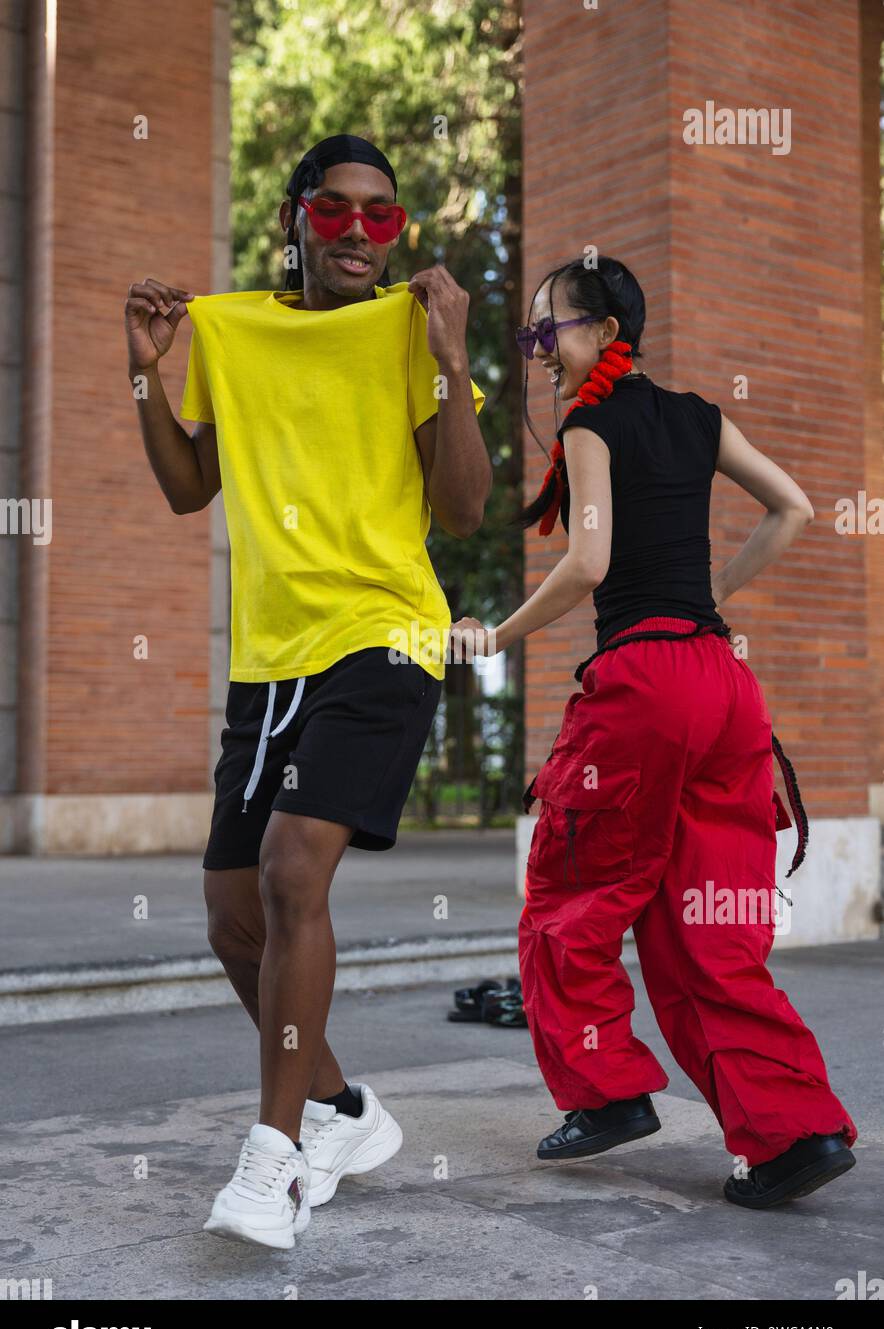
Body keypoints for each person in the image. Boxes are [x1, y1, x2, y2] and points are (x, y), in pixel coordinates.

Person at [125, 134, 489, 1249]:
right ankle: (340, 1111)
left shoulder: (407, 333)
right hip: (270, 654)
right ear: (296, 217)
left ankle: (272, 1161)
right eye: (333, 210)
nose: (355, 233)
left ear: (397, 236)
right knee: (235, 919)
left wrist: (449, 349)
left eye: (381, 217)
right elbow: (191, 488)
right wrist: (149, 365)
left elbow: (465, 509)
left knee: (292, 870)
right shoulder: (236, 331)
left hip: (385, 628)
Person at [452, 255, 857, 1211]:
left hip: (643, 686)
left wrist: (494, 637)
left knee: (571, 898)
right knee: (711, 926)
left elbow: (588, 562)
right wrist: (709, 601)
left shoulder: (593, 422)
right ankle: (793, 1133)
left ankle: (609, 1095)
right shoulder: (700, 416)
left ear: (599, 330)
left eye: (545, 331)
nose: (538, 352)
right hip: (725, 688)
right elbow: (793, 507)